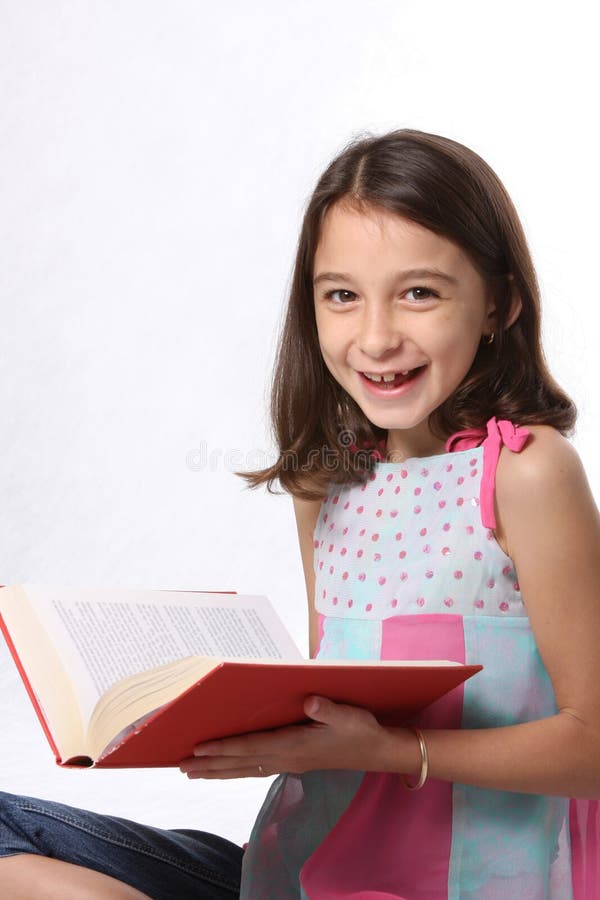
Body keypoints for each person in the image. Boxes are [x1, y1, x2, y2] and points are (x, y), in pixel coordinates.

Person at [2, 128, 599, 898]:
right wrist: (254, 728)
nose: (376, 338)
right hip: (299, 872)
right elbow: (338, 720)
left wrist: (390, 751)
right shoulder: (327, 481)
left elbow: (592, 744)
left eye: (419, 292)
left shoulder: (524, 472)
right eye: (342, 295)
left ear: (498, 304)